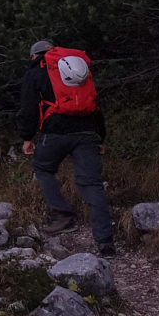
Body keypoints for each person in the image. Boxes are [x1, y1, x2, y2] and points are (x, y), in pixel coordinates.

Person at [17, 40, 116, 257]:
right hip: (88, 132)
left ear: (34, 56)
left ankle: (63, 215)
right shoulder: (75, 67)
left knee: (43, 168)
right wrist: (101, 137)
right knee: (91, 184)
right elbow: (94, 104)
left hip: (55, 134)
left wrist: (27, 137)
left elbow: (28, 108)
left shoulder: (36, 72)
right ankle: (105, 242)